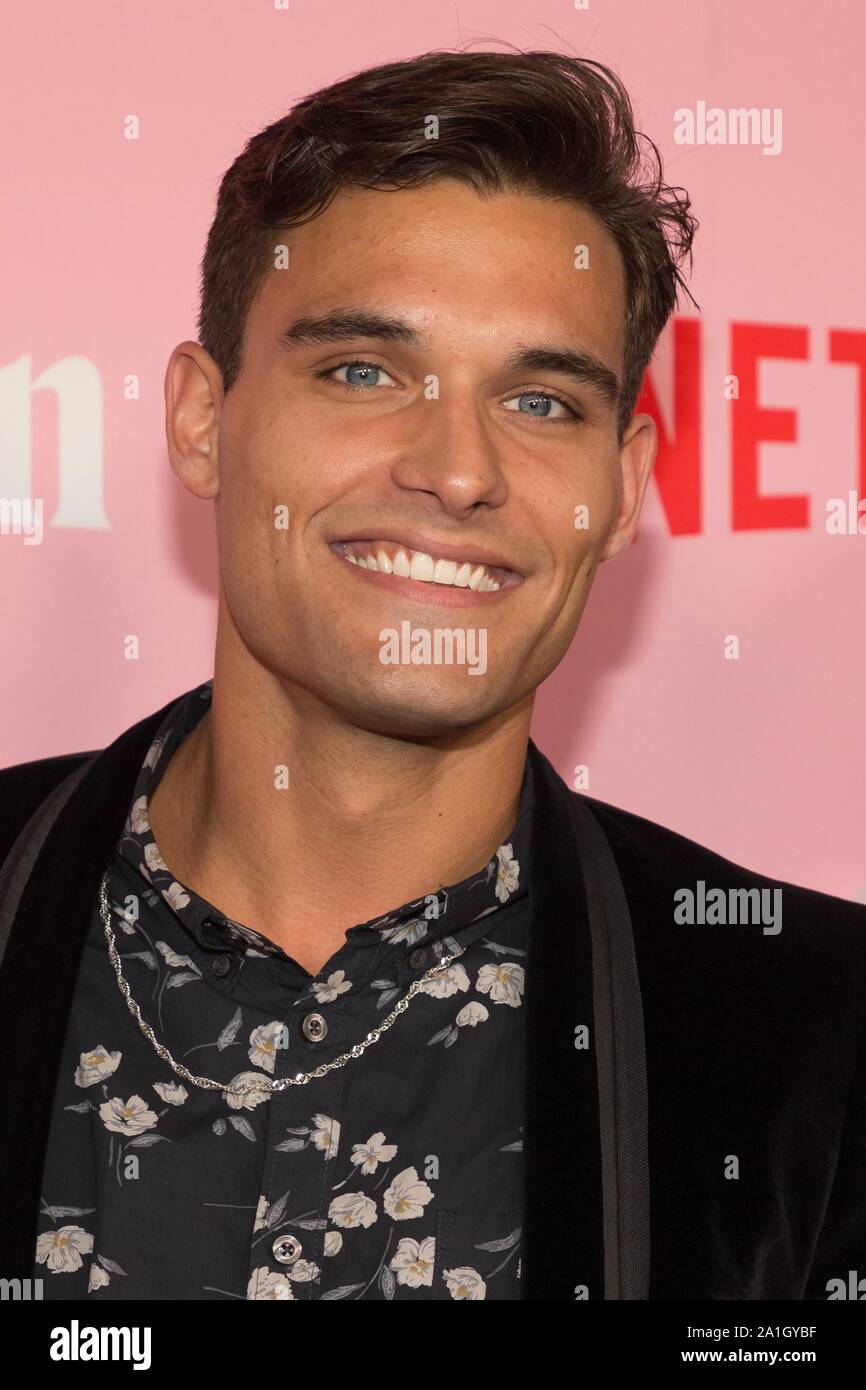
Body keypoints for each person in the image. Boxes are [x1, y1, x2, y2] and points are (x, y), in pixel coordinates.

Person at [1, 48, 863, 1303]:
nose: (457, 469)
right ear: (201, 419)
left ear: (622, 488)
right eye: (363, 372)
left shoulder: (815, 1039)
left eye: (541, 401)